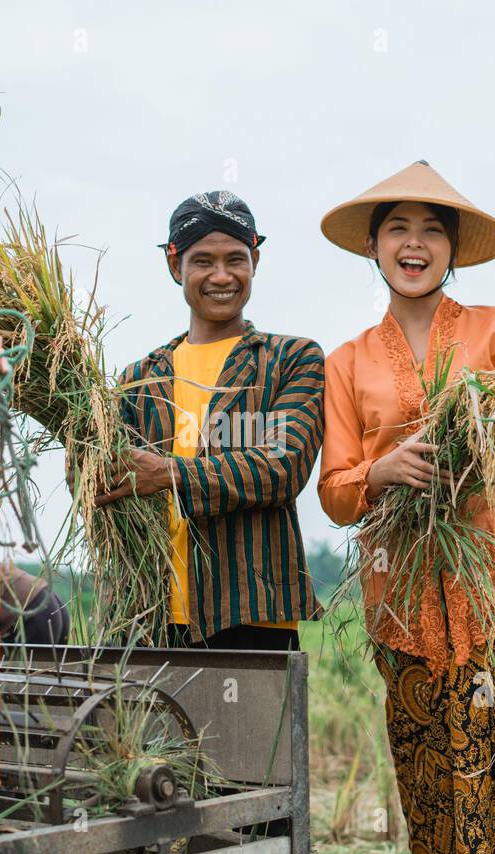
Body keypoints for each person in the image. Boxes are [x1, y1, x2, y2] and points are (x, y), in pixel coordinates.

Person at [317, 160, 495, 854]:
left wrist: (492, 445)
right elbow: (336, 494)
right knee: (438, 782)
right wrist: (382, 469)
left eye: (431, 230)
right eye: (397, 229)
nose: (414, 243)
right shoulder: (344, 364)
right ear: (373, 247)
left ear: (453, 249)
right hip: (406, 606)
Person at [94, 190, 324, 649]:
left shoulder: (291, 359)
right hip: (148, 616)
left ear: (255, 260)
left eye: (235, 259)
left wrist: (167, 473)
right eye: (203, 261)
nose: (221, 276)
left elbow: (281, 468)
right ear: (174, 265)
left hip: (251, 618)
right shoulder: (138, 379)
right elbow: (104, 482)